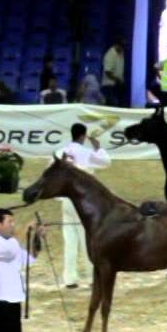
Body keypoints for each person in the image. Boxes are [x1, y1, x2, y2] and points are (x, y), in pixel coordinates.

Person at [54, 123, 110, 288]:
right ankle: (92, 276)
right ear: (83, 136)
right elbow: (105, 162)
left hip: (66, 201)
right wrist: (98, 147)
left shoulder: (60, 152)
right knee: (87, 238)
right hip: (82, 201)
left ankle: (69, 278)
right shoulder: (86, 152)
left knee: (70, 239)